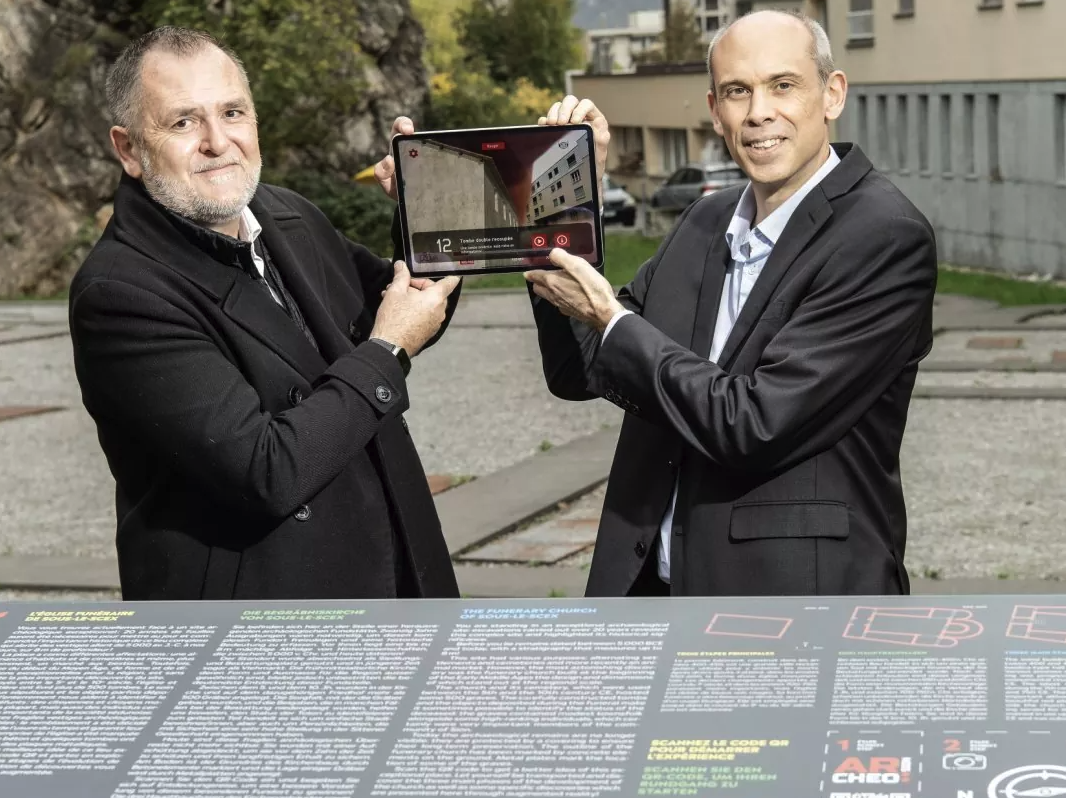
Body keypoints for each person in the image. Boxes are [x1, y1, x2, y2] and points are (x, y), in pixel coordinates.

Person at [526, 10, 937, 597]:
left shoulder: (883, 236)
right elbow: (581, 367)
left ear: (833, 94)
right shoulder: (704, 220)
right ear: (715, 110)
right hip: (652, 590)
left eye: (783, 85)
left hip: (793, 605)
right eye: (738, 91)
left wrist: (611, 319)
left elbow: (756, 425)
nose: (759, 112)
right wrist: (567, 206)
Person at [69, 26, 462, 600]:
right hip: (259, 620)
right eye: (183, 122)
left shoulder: (284, 213)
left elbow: (411, 306)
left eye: (232, 112)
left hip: (393, 577)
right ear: (129, 150)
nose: (217, 141)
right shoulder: (121, 294)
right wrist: (387, 350)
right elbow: (266, 472)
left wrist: (429, 214)